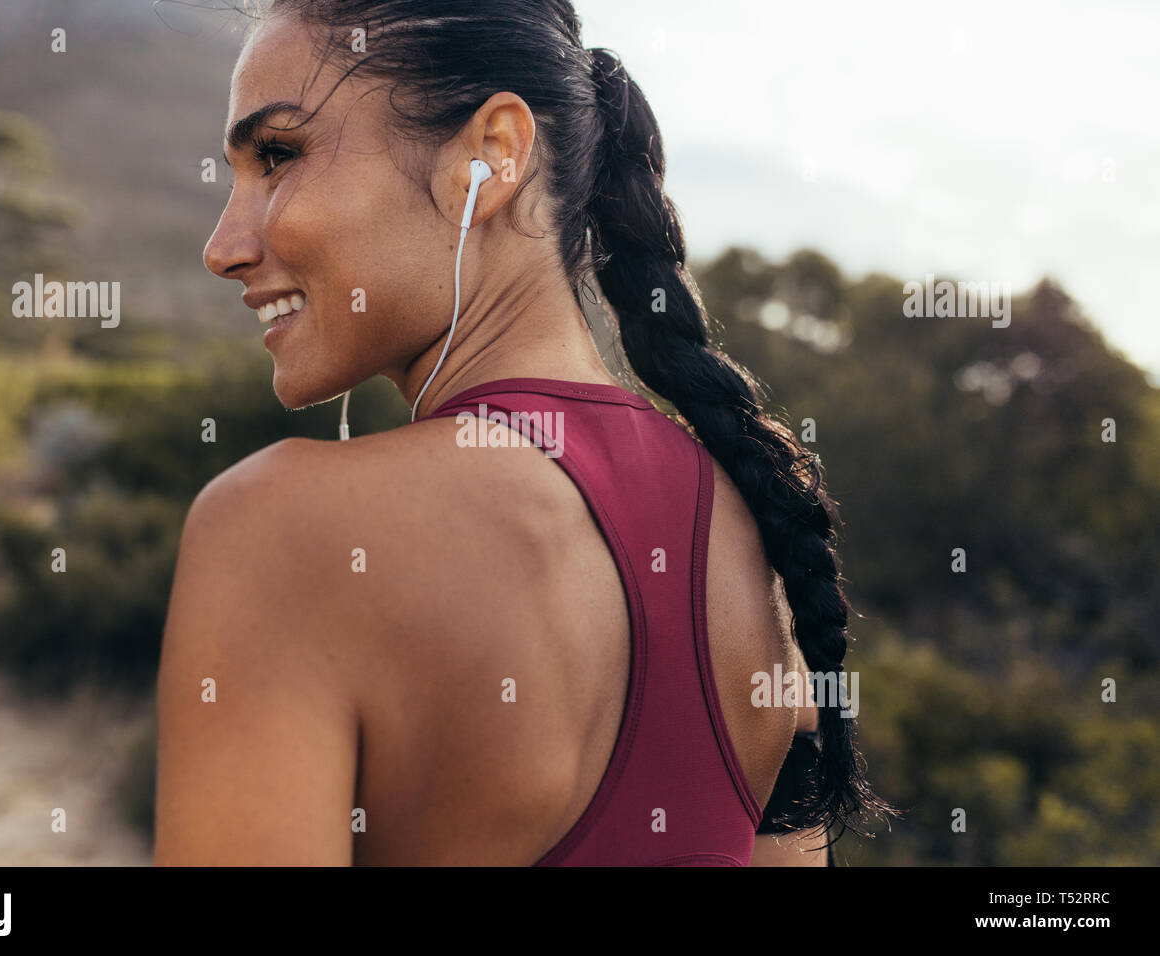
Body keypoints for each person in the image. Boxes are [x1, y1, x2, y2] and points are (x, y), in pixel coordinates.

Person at [154, 0, 891, 865]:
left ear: (492, 153)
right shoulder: (753, 530)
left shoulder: (282, 531)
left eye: (278, 155)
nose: (223, 245)